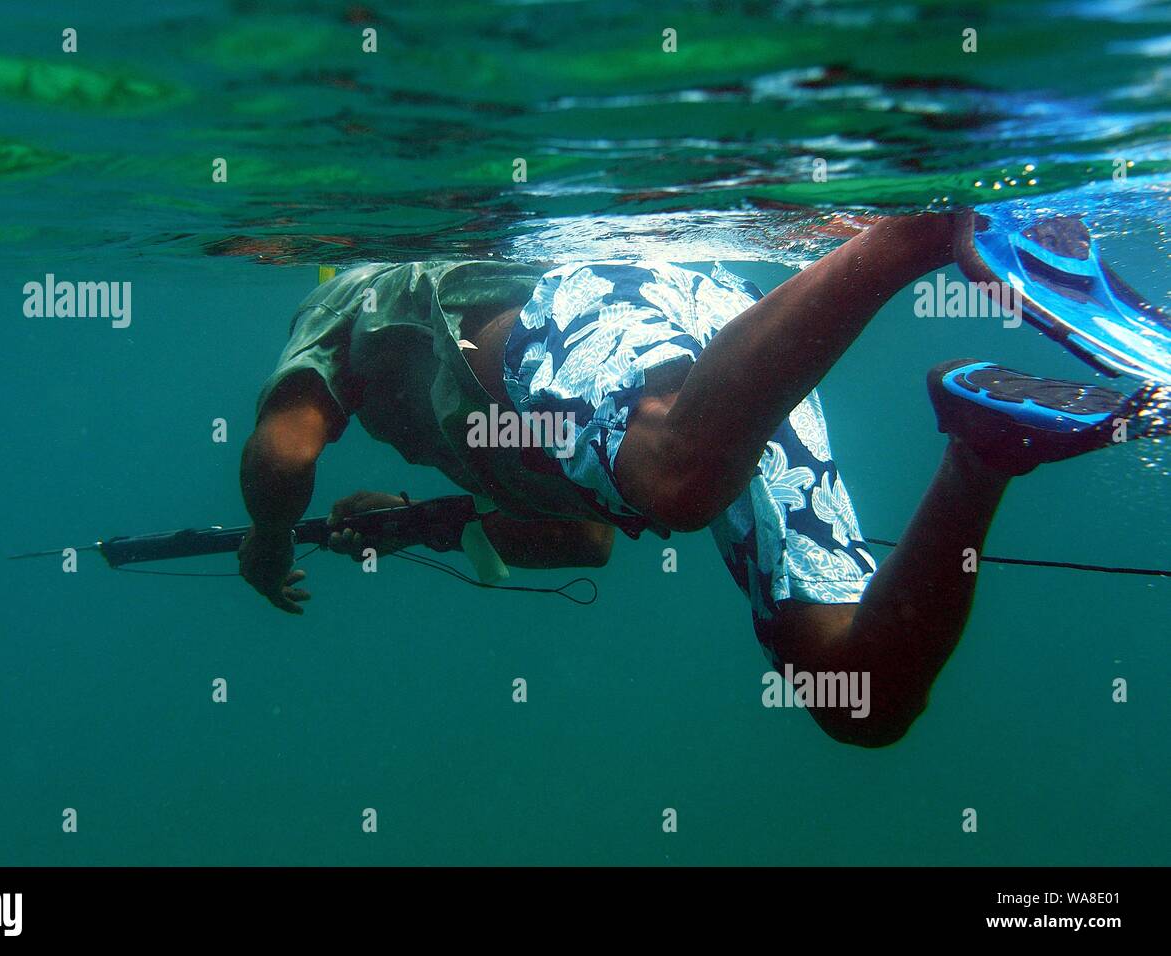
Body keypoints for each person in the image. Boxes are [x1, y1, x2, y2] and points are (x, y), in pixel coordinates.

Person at [238, 211, 1151, 747]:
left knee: (673, 476)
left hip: (609, 315)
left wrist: (268, 543)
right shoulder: (463, 423)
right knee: (859, 694)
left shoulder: (345, 297)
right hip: (724, 368)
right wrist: (423, 523)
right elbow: (585, 536)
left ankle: (933, 231)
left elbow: (283, 454)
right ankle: (987, 444)